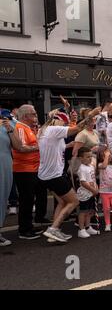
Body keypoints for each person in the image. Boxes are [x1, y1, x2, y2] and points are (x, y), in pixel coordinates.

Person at [39, 107, 101, 243]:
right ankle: (53, 229)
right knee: (74, 201)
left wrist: (69, 145)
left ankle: (54, 230)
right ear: (59, 122)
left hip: (45, 175)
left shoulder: (43, 131)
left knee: (62, 201)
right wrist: (91, 115)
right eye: (64, 124)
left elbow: (55, 147)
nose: (65, 127)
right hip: (54, 175)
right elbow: (78, 128)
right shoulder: (54, 129)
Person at [12, 105, 49, 240]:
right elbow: (21, 147)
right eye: (33, 114)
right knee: (26, 200)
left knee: (34, 196)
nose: (36, 115)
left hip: (34, 168)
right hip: (24, 169)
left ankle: (31, 224)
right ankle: (24, 230)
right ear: (26, 116)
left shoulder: (29, 128)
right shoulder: (20, 127)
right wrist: (39, 147)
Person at [0, 110, 22, 246]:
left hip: (4, 165)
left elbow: (18, 146)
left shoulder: (8, 122)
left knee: (2, 198)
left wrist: (9, 129)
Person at [76, 147, 100, 239]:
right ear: (81, 158)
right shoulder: (82, 168)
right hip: (85, 194)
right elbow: (83, 182)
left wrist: (96, 187)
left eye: (91, 156)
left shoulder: (90, 166)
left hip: (91, 193)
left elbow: (93, 179)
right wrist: (92, 189)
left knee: (90, 211)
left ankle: (88, 226)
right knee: (83, 211)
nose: (90, 158)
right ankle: (81, 229)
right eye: (87, 157)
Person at [97, 147, 112, 232]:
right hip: (104, 191)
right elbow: (104, 166)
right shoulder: (100, 165)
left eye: (109, 155)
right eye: (104, 156)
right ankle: (107, 223)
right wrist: (106, 157)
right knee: (106, 208)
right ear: (101, 157)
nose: (108, 156)